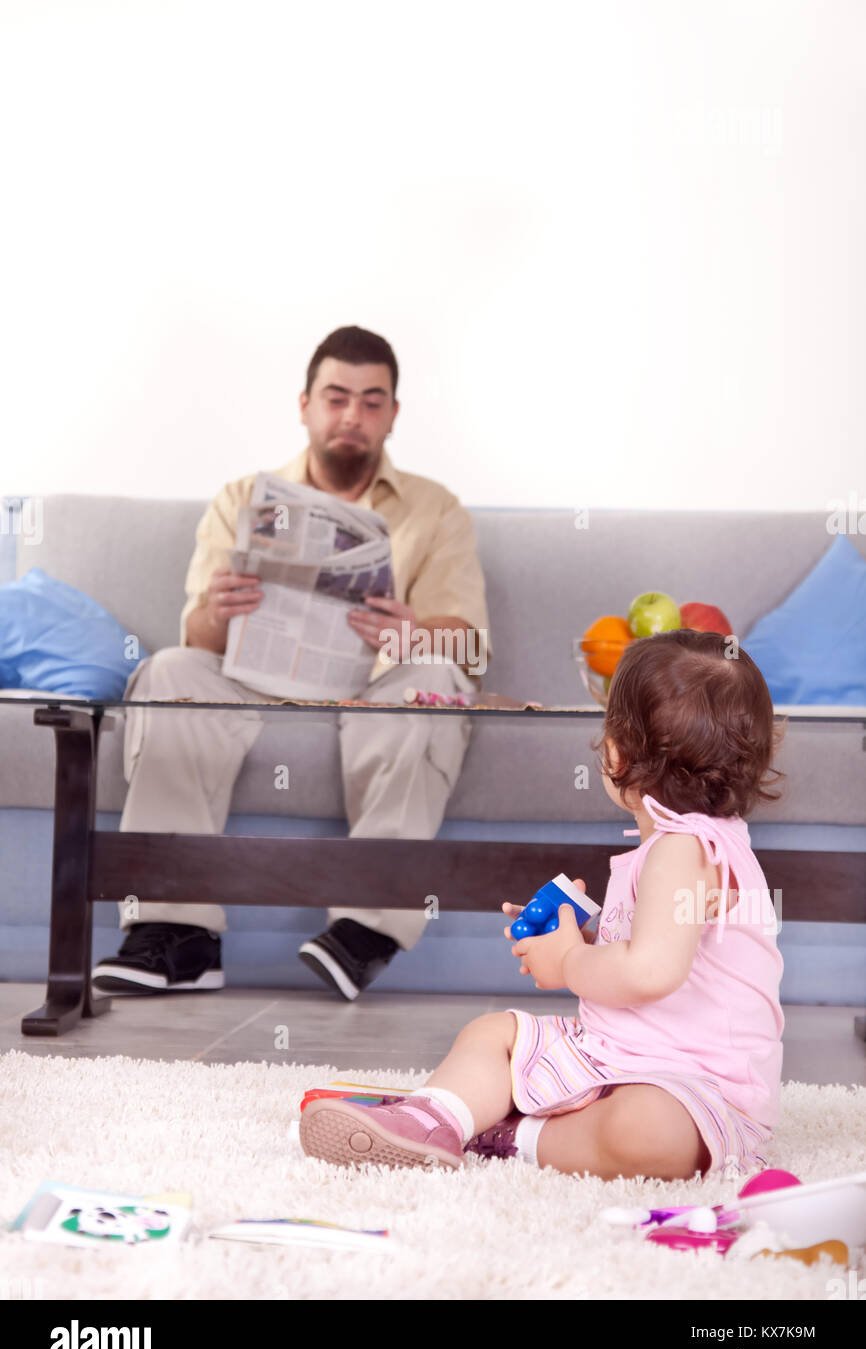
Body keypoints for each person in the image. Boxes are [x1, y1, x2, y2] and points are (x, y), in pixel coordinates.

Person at [92, 326, 490, 1001]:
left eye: (371, 402)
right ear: (304, 404)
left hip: (375, 694)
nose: (351, 417)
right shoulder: (243, 498)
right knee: (168, 671)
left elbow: (471, 647)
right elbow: (196, 637)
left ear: (393, 414)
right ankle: (177, 938)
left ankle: (366, 931)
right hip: (253, 683)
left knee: (439, 681)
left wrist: (416, 631)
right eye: (336, 398)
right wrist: (219, 608)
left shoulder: (436, 509)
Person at [299, 629, 786, 1179]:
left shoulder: (683, 850)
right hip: (615, 1054)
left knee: (645, 1130)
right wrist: (582, 937)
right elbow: (657, 950)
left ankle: (502, 1133)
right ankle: (434, 1116)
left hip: (697, 1091)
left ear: (615, 753)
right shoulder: (691, 844)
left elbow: (650, 972)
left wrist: (568, 963)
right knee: (496, 1033)